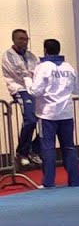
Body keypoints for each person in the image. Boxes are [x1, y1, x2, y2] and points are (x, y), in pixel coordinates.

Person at [23, 38, 79, 189]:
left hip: (47, 114)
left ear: (45, 50)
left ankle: (49, 182)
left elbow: (35, 91)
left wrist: (28, 79)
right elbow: (77, 89)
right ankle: (74, 180)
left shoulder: (43, 67)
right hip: (66, 113)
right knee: (69, 147)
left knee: (47, 148)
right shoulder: (69, 67)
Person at [3, 29, 41, 168]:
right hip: (20, 90)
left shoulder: (31, 56)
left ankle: (35, 150)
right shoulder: (8, 55)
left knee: (47, 120)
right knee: (30, 120)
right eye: (21, 39)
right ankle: (22, 153)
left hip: (34, 89)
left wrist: (31, 75)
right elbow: (20, 75)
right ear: (14, 39)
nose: (24, 41)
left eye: (26, 39)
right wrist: (30, 75)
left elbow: (38, 72)